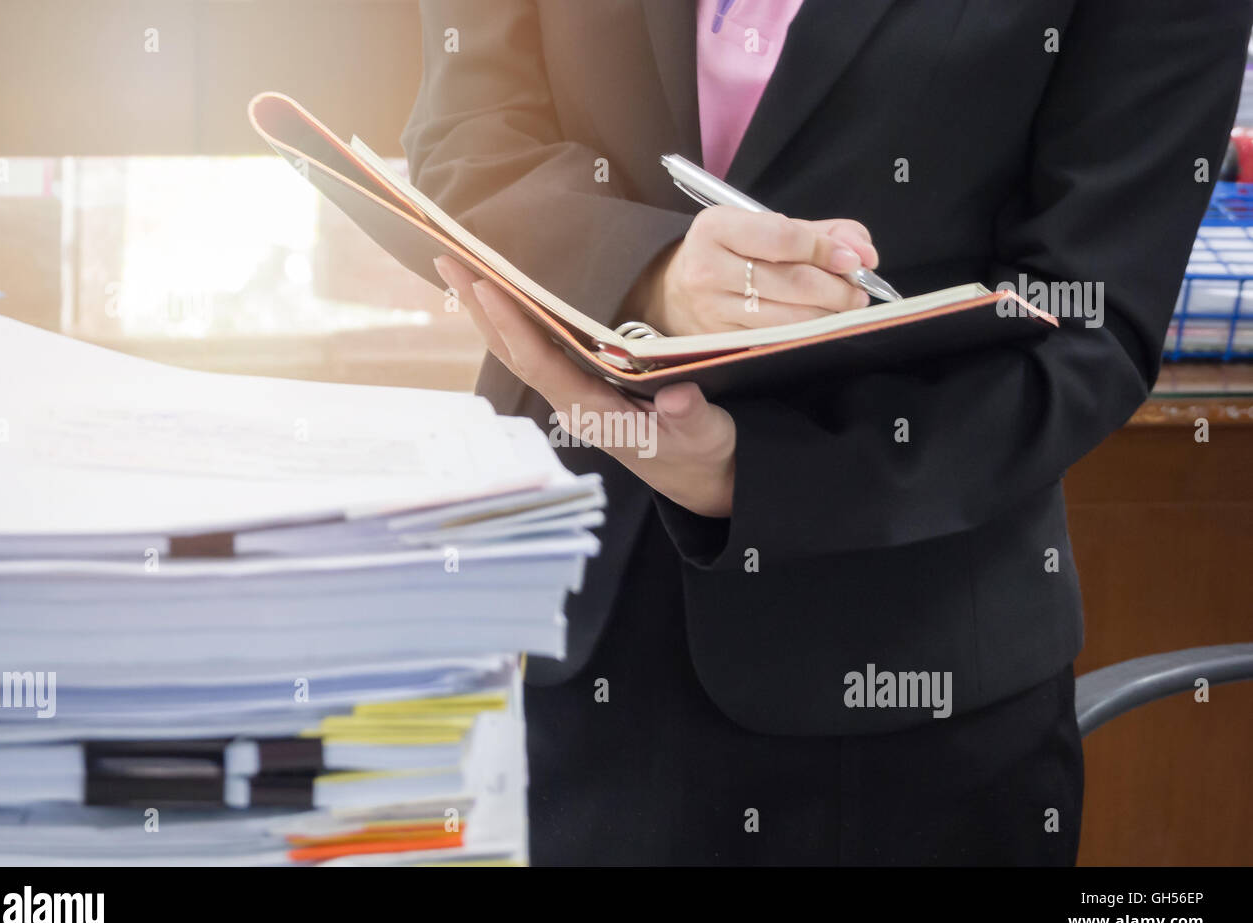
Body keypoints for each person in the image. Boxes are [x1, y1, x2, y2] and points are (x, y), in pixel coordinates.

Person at [404, 0, 1252, 864]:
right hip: (555, 623)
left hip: (898, 692)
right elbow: (471, 141)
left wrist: (759, 476)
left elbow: (1089, 326)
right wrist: (652, 278)